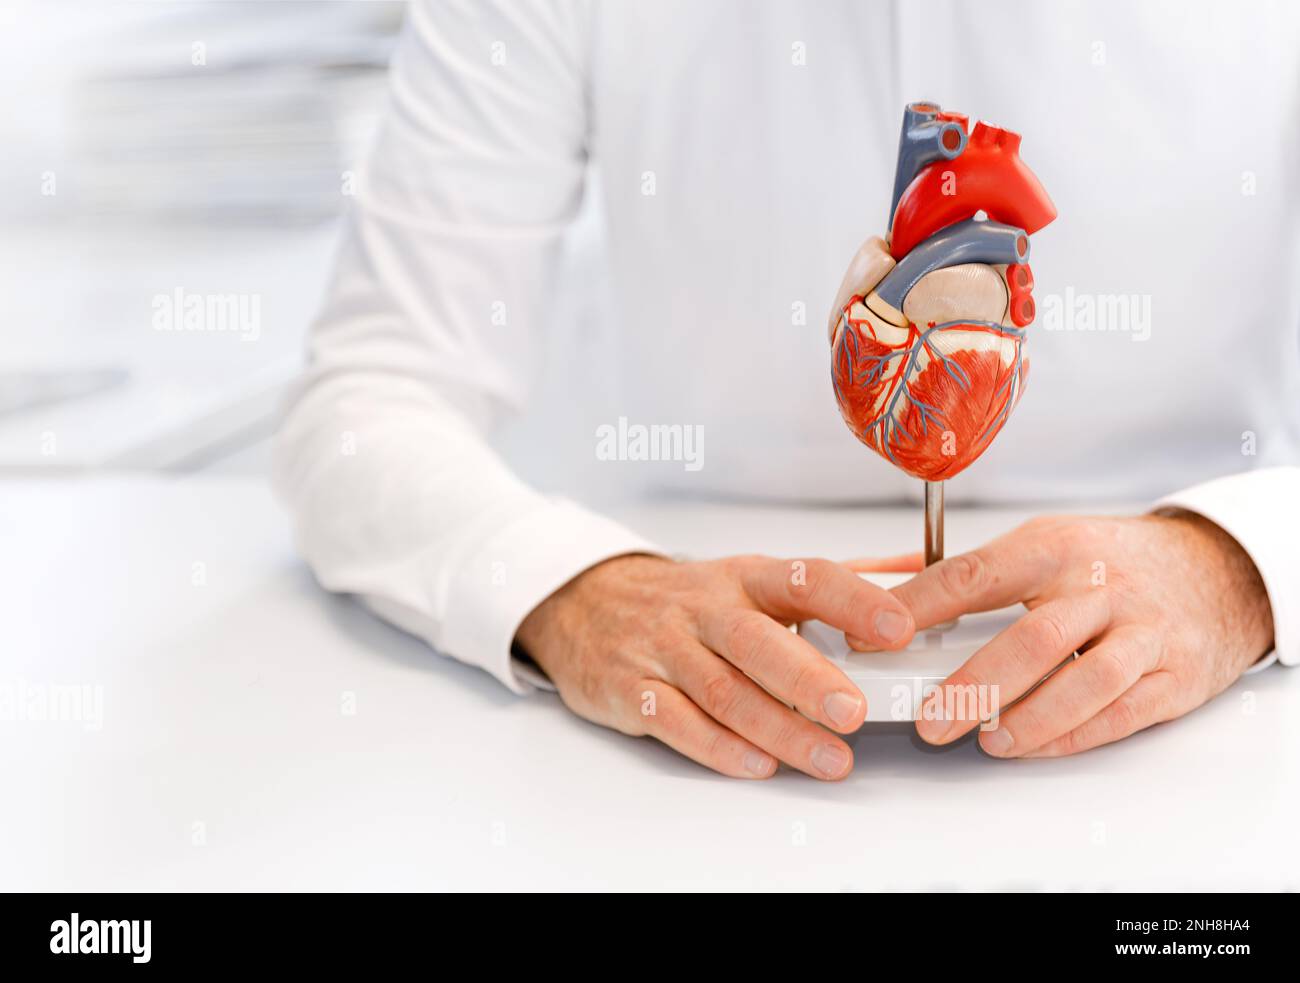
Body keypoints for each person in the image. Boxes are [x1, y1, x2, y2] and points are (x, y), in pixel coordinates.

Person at [274, 0, 1298, 780]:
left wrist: (1237, 570)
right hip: (651, 775)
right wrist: (574, 589)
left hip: (1201, 752)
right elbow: (367, 393)